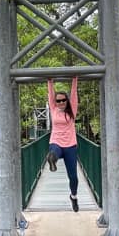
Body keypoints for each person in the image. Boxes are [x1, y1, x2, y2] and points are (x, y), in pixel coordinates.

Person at [47, 77, 80, 211]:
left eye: (63, 100)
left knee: (73, 177)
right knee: (53, 153)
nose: (61, 102)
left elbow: (74, 95)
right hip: (56, 142)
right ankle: (52, 160)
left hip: (70, 145)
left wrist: (74, 79)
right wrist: (50, 82)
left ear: (67, 101)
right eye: (58, 100)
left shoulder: (72, 111)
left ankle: (73, 196)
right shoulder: (53, 109)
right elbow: (50, 96)